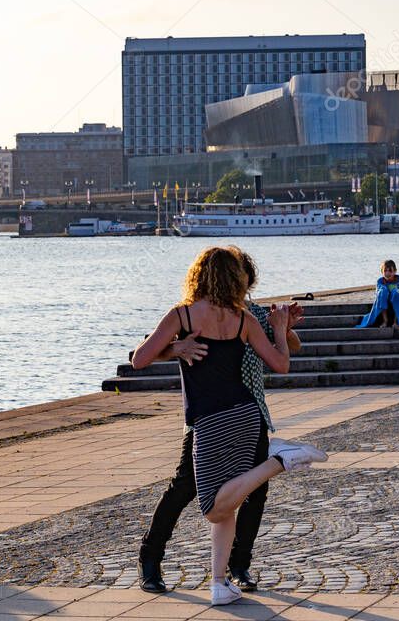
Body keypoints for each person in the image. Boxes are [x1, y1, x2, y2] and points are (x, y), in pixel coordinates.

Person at [132, 247, 327, 606]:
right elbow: (282, 363)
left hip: (211, 420)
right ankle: (206, 575)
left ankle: (230, 567)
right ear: (237, 279)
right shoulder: (243, 318)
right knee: (214, 493)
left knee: (214, 504)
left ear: (198, 275)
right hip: (246, 415)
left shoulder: (185, 314)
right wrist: (280, 330)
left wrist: (177, 348)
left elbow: (138, 358)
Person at [356, 260, 399, 330]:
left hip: (398, 302)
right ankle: (385, 320)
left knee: (397, 293)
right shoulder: (380, 281)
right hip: (384, 303)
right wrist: (386, 291)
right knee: (382, 292)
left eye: (390, 271)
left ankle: (396, 322)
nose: (387, 273)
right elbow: (378, 295)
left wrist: (397, 293)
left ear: (395, 271)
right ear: (382, 272)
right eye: (385, 271)